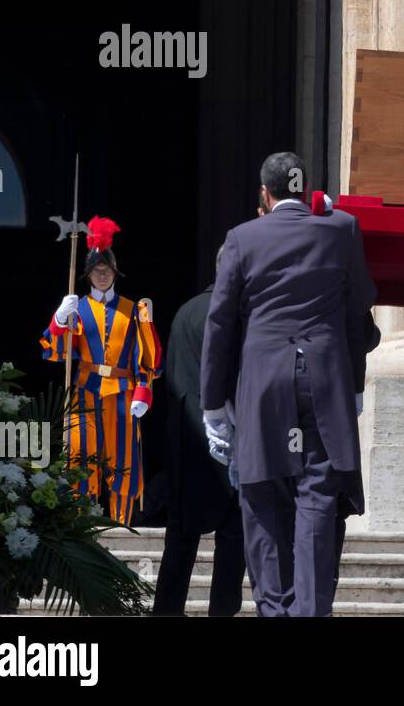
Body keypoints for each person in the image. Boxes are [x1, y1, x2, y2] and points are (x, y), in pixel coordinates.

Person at [199, 151, 376, 617]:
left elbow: (220, 324)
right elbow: (358, 309)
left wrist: (213, 403)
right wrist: (353, 384)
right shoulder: (342, 229)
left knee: (262, 491)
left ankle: (274, 609)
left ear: (264, 193)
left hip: (264, 383)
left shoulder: (242, 238)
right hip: (324, 379)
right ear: (306, 187)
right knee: (317, 496)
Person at [41, 215, 162, 525]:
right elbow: (53, 353)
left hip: (123, 394)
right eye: (97, 270)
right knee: (80, 457)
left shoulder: (135, 309)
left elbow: (148, 356)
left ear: (114, 272)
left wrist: (144, 390)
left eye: (106, 270)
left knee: (123, 460)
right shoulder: (76, 308)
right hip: (85, 392)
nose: (102, 275)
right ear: (88, 274)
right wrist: (58, 321)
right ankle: (81, 525)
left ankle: (122, 523)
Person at [154, 244, 245, 617]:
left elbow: (173, 380)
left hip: (185, 444)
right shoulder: (237, 314)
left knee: (180, 541)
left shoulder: (183, 312)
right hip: (227, 442)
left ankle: (165, 612)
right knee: (232, 539)